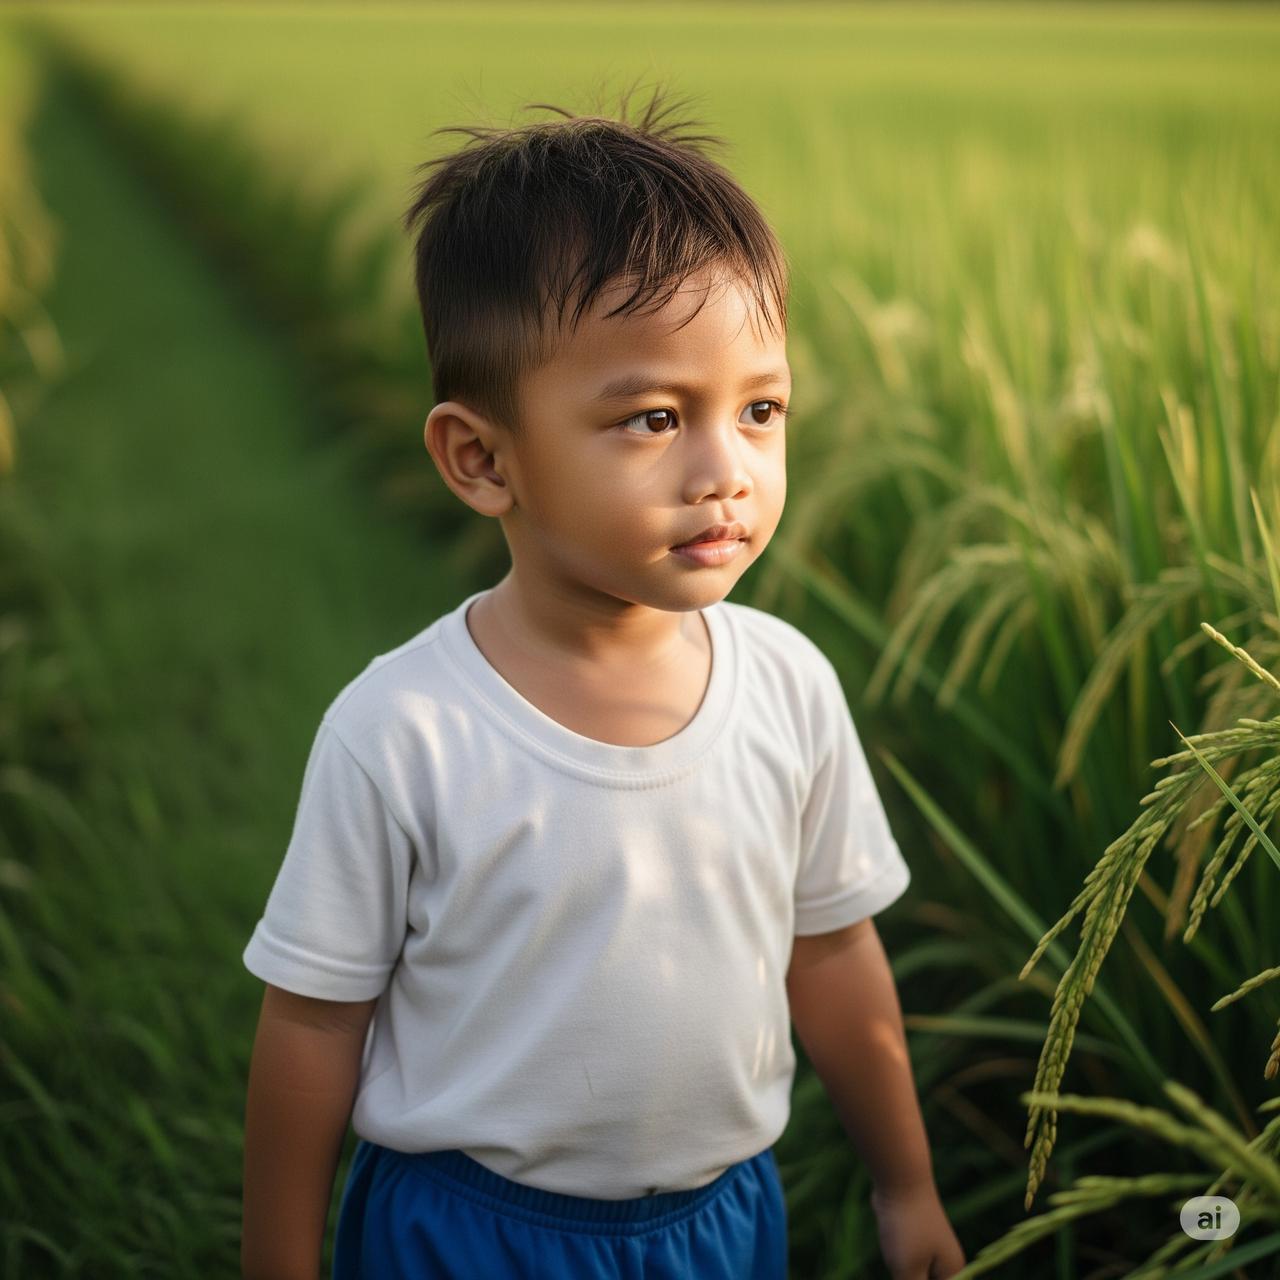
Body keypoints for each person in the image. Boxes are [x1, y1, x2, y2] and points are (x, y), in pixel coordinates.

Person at [240, 82, 967, 1280]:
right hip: (465, 1230)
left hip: (718, 1224)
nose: (724, 470)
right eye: (650, 419)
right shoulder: (403, 730)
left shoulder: (786, 686)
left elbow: (832, 953)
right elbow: (315, 1021)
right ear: (480, 458)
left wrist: (907, 1184)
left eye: (760, 409)